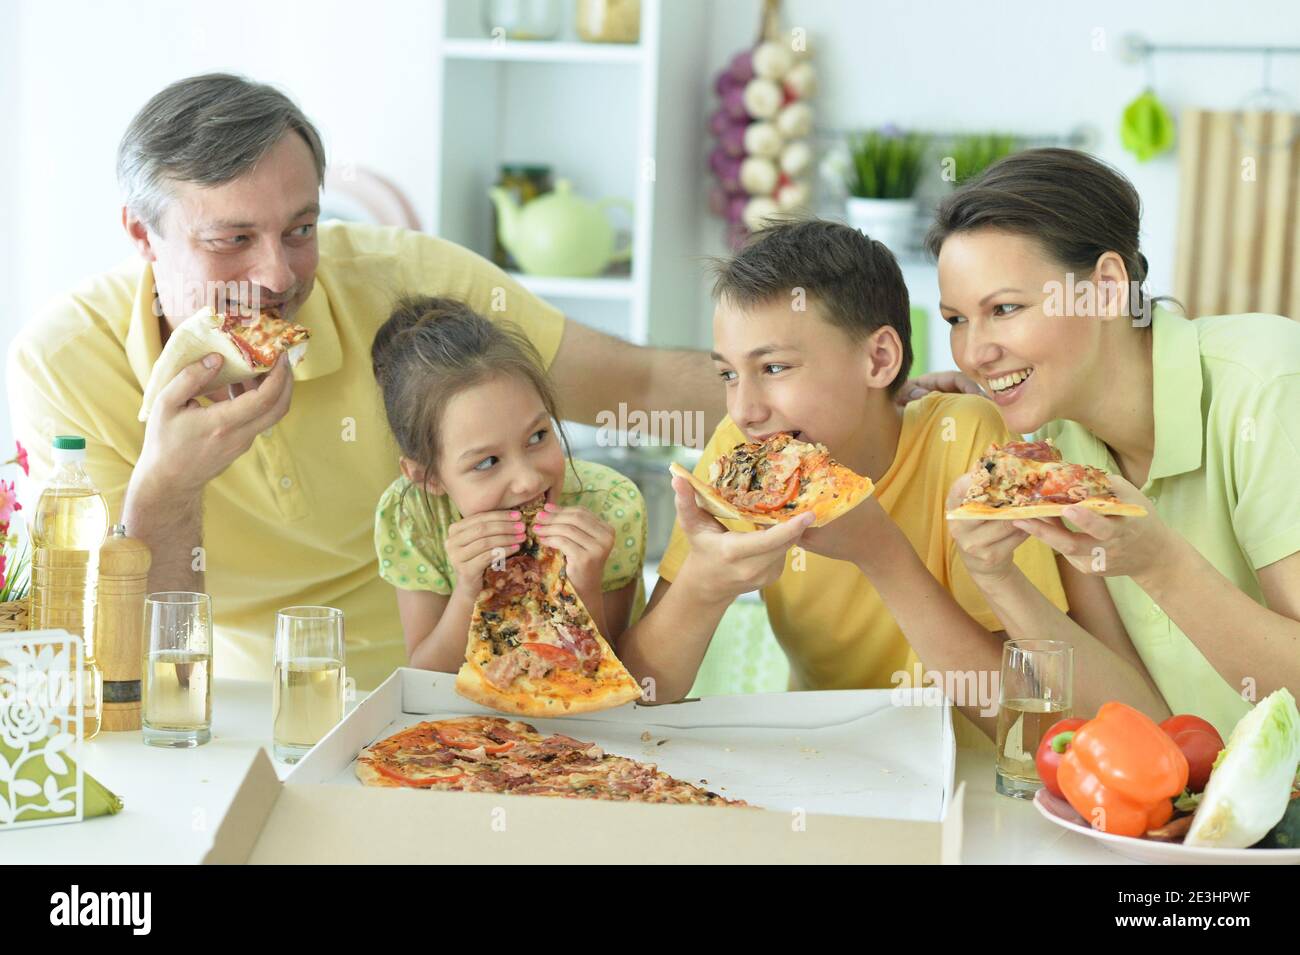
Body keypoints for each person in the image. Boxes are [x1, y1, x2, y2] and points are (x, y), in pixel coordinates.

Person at [4, 73, 719, 689]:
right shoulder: (61, 363)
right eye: (232, 241)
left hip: (458, 695)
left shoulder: (412, 281)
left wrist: (800, 398)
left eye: (301, 229)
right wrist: (169, 483)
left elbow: (641, 385)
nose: (278, 277)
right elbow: (127, 663)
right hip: (247, 710)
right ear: (140, 236)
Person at [614, 219, 1158, 746]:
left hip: (968, 786)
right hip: (825, 765)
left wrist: (881, 554)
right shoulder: (741, 455)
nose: (746, 409)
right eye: (729, 374)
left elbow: (1030, 728)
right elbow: (638, 699)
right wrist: (701, 587)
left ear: (879, 358)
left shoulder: (970, 441)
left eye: (775, 368)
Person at [926, 148, 1300, 738]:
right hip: (1193, 815)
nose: (974, 353)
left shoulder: (1269, 384)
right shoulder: (1060, 443)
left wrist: (1159, 562)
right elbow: (1140, 721)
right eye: (956, 320)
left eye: (1004, 308)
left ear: (1104, 286)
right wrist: (994, 574)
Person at [370, 296, 646, 670]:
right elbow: (426, 678)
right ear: (427, 477)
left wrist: (584, 587)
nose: (529, 480)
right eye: (487, 462)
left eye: (537, 437)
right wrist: (469, 588)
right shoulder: (414, 517)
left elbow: (605, 680)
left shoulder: (610, 505)